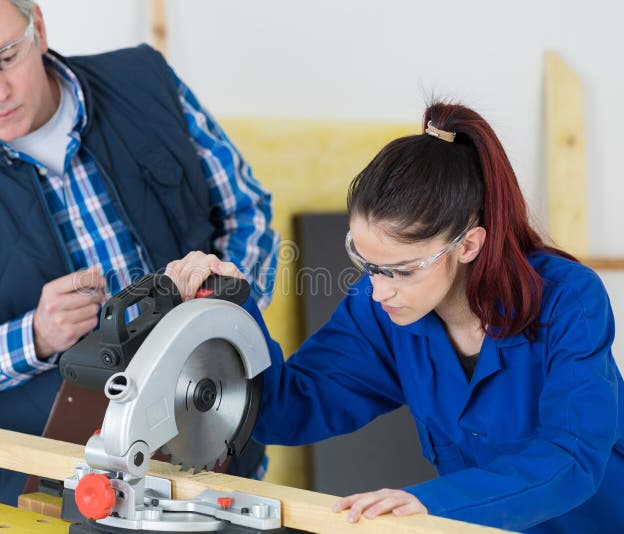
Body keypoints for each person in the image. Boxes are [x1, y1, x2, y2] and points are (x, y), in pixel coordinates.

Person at [0, 0, 278, 505]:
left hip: (215, 460)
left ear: (37, 25)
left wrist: (219, 312)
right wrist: (31, 338)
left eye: (7, 56)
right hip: (43, 501)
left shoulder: (148, 81)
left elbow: (247, 214)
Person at [165, 102, 624, 532]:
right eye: (366, 262)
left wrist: (431, 503)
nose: (378, 289)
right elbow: (287, 409)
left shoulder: (568, 300)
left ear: (467, 246)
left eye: (402, 270)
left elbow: (572, 457)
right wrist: (230, 307)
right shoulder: (378, 307)